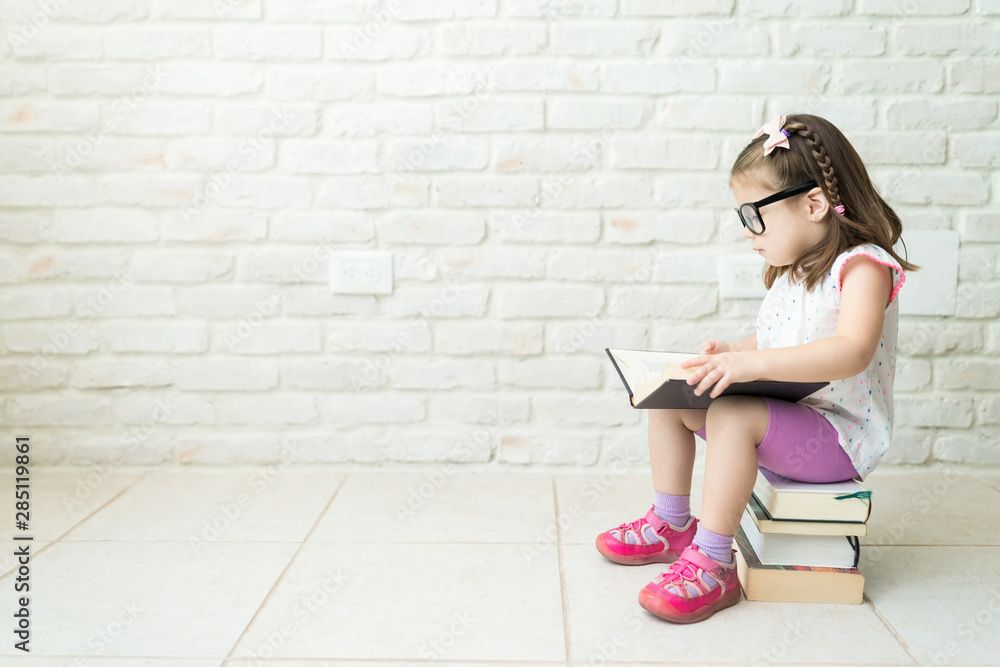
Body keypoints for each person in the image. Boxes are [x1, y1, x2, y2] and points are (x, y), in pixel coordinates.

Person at [596, 113, 918, 624]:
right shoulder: (796, 273)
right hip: (791, 422)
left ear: (813, 205)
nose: (748, 233)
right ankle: (671, 523)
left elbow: (852, 349)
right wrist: (732, 351)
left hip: (838, 438)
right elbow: (777, 343)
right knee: (673, 393)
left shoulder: (863, 266)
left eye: (753, 215)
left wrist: (753, 364)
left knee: (732, 417)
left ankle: (712, 561)